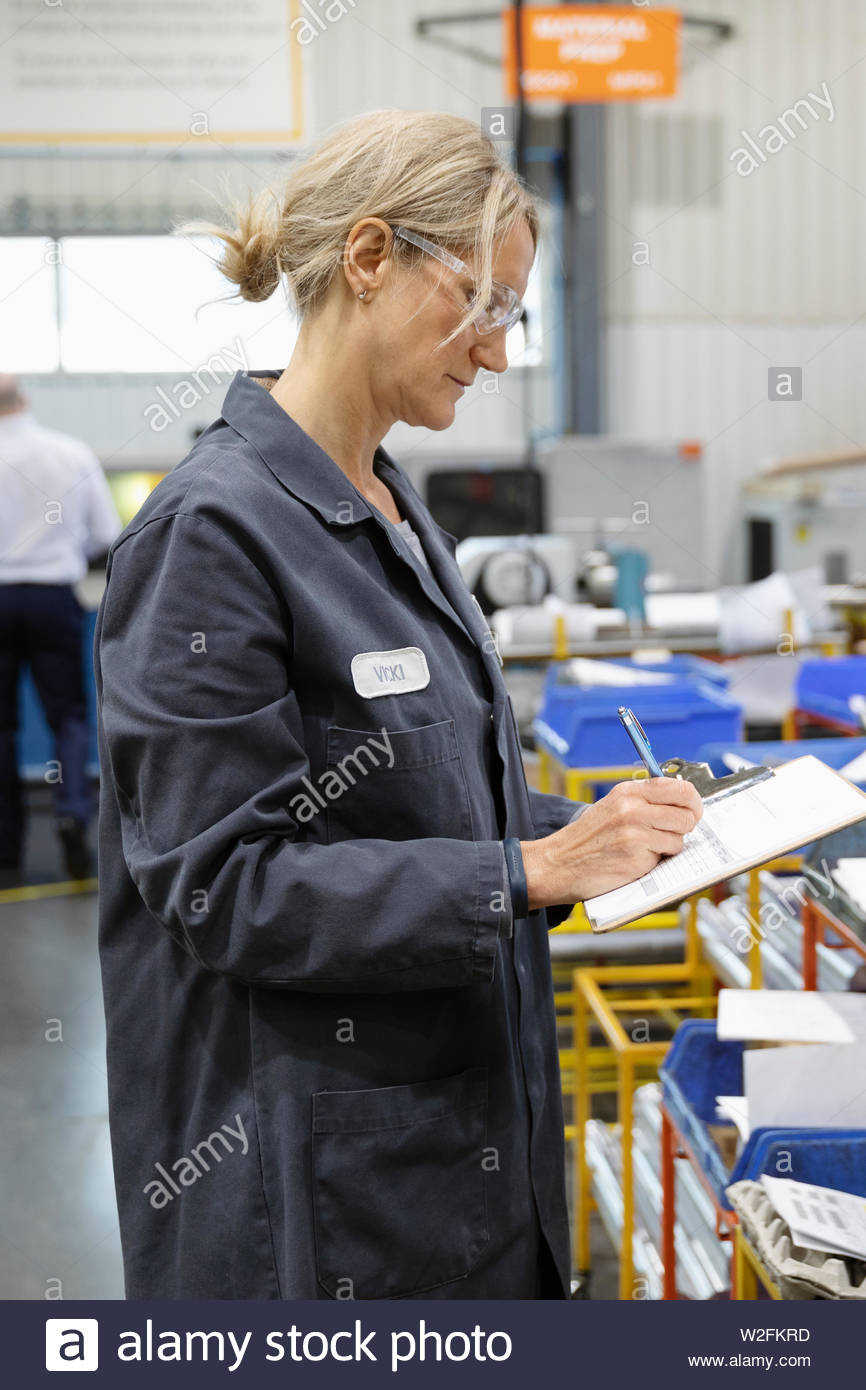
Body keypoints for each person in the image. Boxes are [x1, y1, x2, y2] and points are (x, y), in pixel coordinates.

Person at [94, 109, 702, 1300]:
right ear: (369, 256)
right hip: (316, 1206)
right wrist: (525, 873)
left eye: (513, 315)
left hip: (461, 1160)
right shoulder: (212, 534)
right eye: (481, 302)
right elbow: (228, 883)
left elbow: (404, 788)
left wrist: (603, 834)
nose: (496, 349)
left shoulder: (388, 503)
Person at [0, 374, 121, 883]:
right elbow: (108, 535)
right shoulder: (70, 454)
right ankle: (73, 814)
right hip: (53, 599)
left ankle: (7, 842)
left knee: (1, 727)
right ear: (25, 400)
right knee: (68, 717)